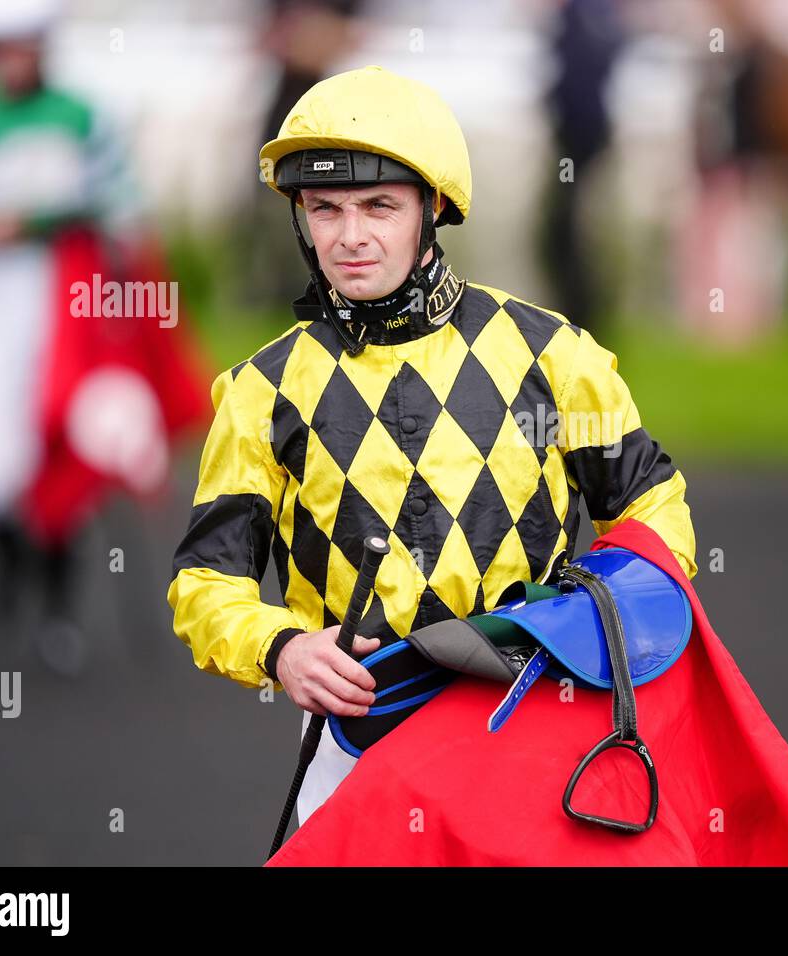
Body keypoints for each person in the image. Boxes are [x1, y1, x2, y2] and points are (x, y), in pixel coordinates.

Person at [167, 65, 697, 825]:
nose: (349, 237)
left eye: (379, 206)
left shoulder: (553, 356)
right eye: (325, 209)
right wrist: (281, 647)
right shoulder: (263, 391)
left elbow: (652, 508)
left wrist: (590, 619)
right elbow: (204, 584)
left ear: (433, 207)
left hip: (532, 729)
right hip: (358, 745)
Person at [0, 0, 144, 673]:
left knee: (57, 456)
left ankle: (58, 610)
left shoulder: (84, 115)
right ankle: (10, 560)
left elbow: (125, 205)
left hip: (63, 300)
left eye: (24, 44)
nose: (13, 59)